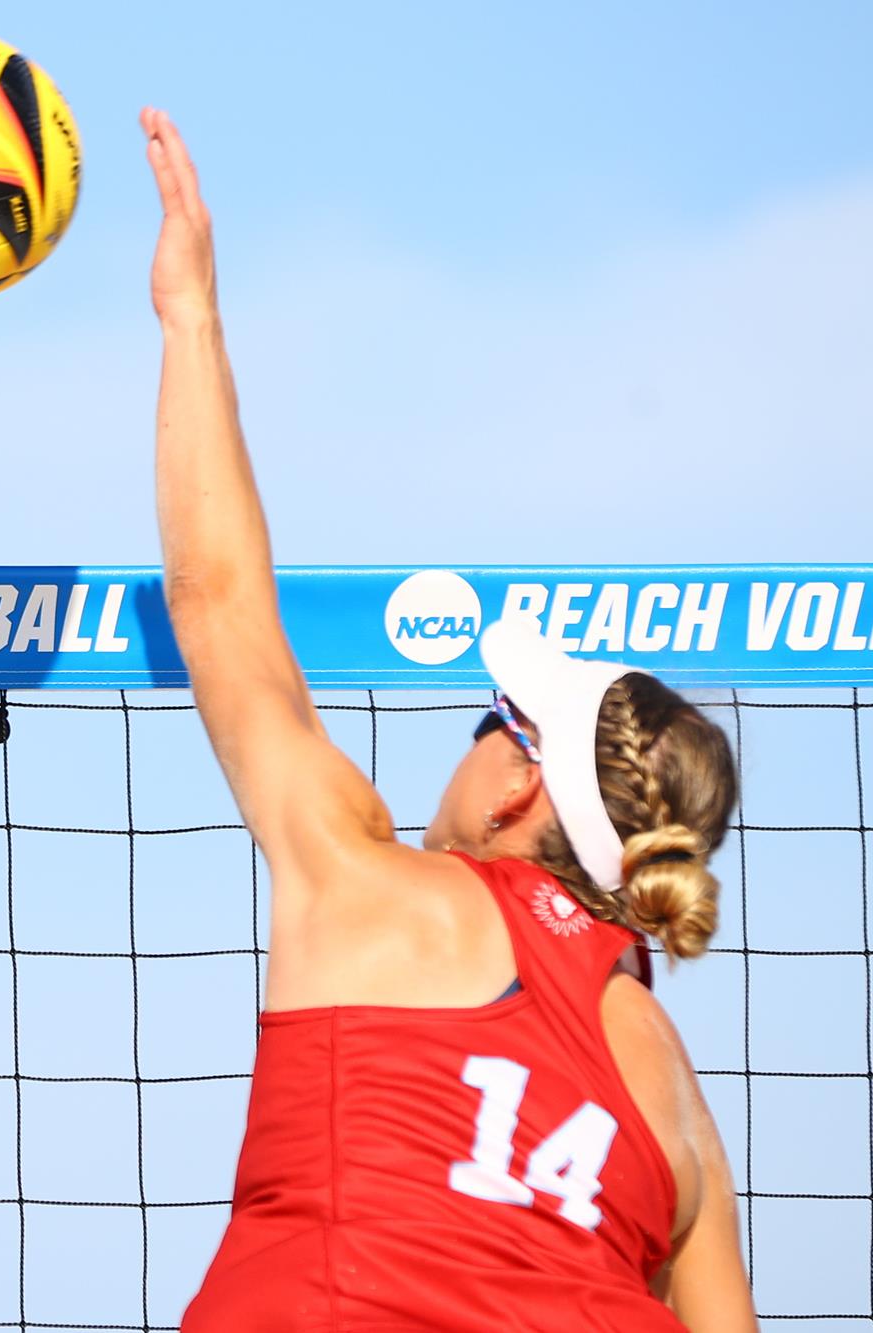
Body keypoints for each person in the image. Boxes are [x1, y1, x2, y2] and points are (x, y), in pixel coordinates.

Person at [140, 108, 757, 1331]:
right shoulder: (675, 1098)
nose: (466, 743)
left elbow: (215, 603)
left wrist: (190, 313)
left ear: (519, 784)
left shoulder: (370, 885)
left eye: (492, 718)